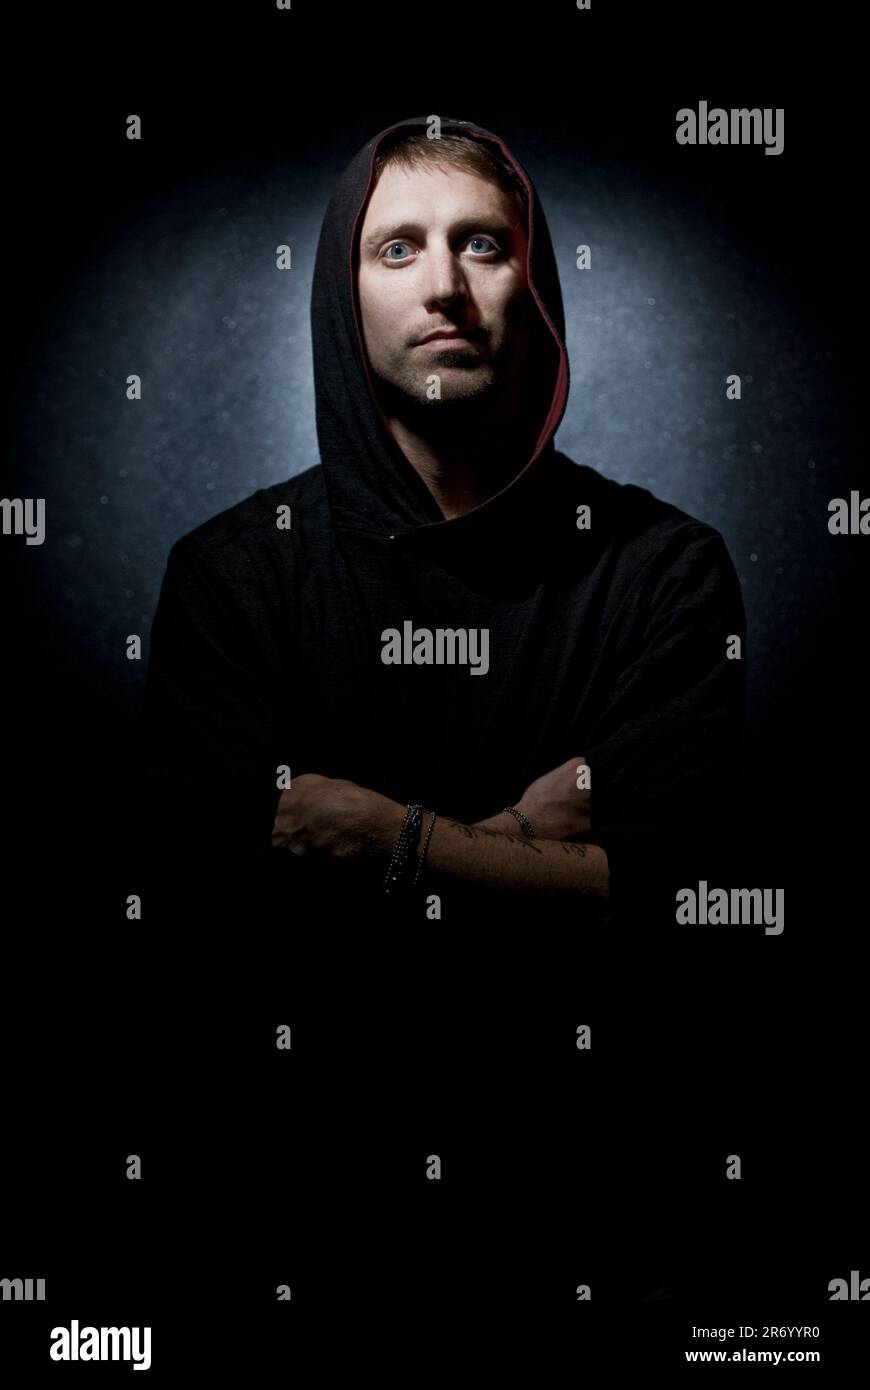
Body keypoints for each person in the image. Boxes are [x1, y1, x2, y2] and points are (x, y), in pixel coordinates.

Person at [141, 114, 745, 933]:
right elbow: (203, 902)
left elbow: (678, 899)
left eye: (482, 245)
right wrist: (523, 849)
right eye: (398, 249)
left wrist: (385, 837)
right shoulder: (231, 575)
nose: (444, 289)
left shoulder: (666, 570)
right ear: (340, 295)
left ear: (534, 288)